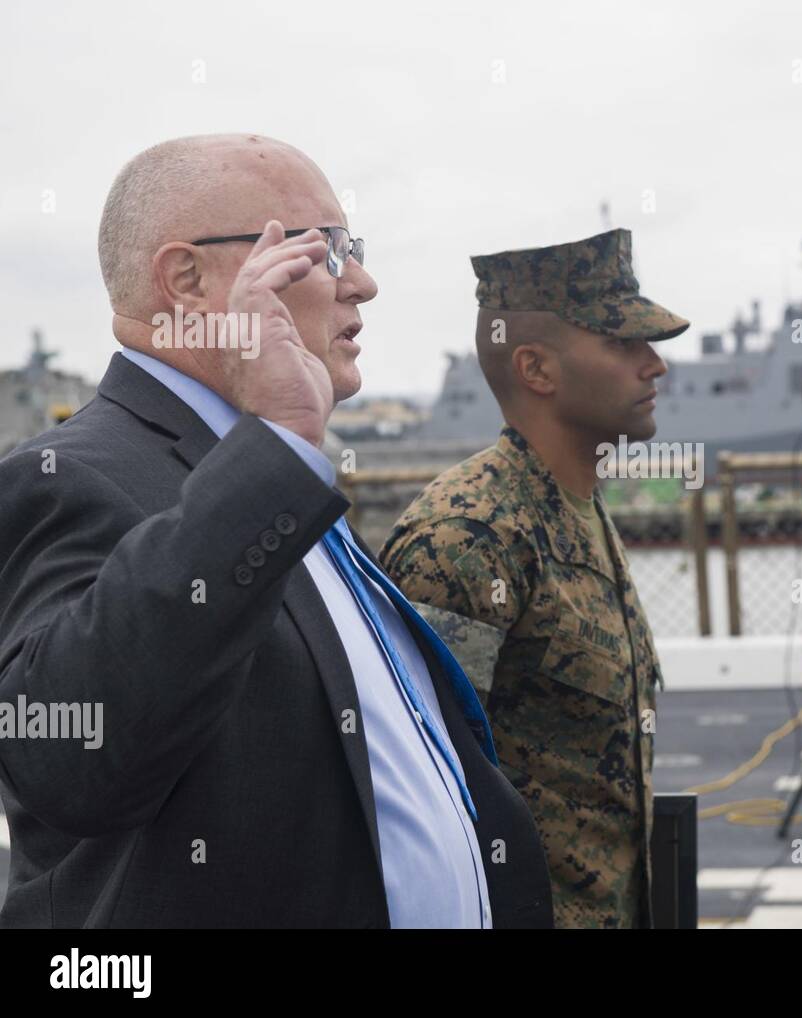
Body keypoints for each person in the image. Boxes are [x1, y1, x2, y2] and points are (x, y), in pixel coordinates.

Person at [0, 134, 551, 928]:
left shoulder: (259, 469)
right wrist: (283, 442)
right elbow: (69, 762)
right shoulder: (72, 475)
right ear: (187, 281)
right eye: (321, 250)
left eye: (350, 249)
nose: (360, 282)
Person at [380, 229, 688, 927]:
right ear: (537, 369)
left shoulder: (578, 509)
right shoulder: (469, 537)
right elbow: (420, 792)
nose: (655, 365)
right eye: (623, 343)